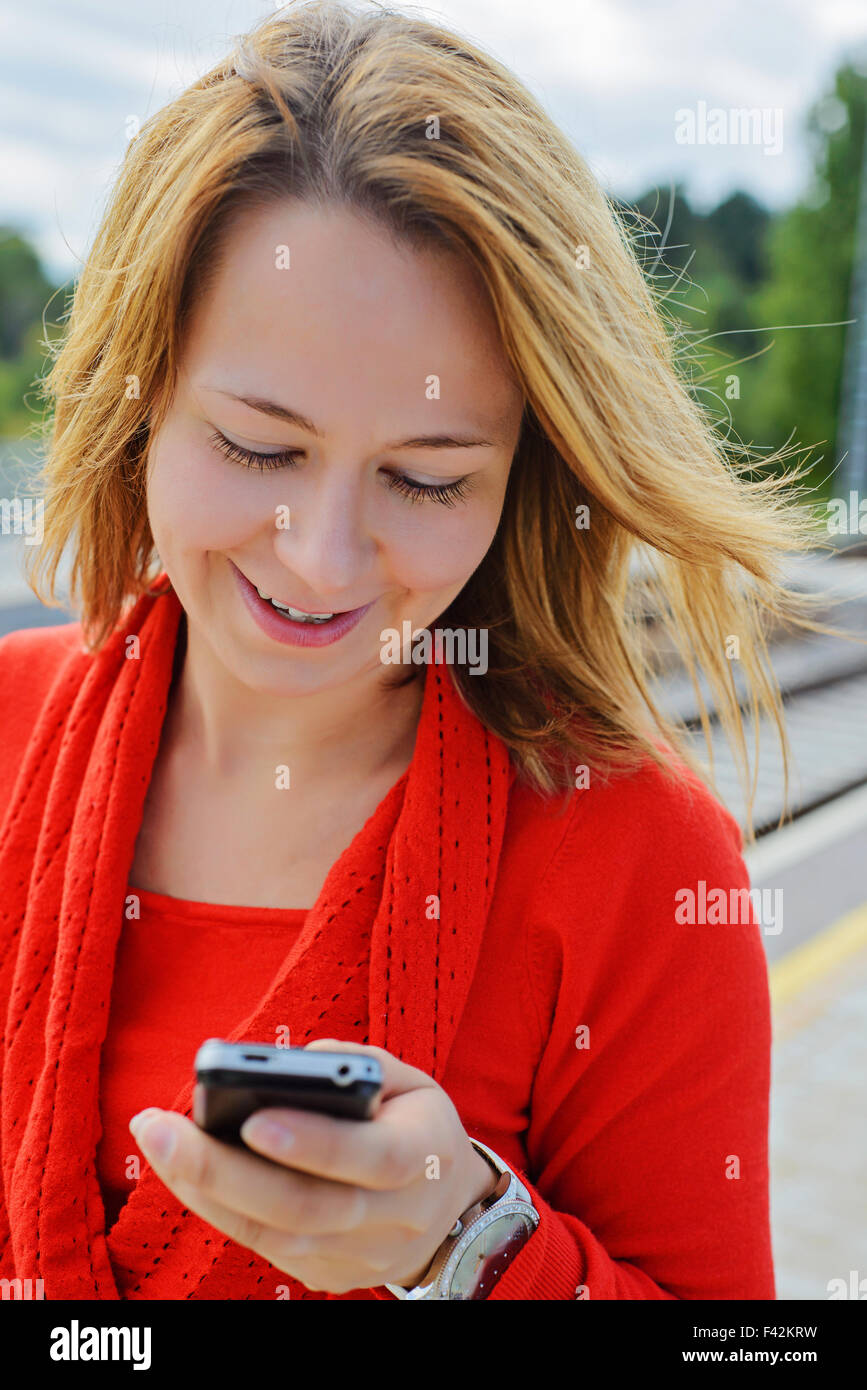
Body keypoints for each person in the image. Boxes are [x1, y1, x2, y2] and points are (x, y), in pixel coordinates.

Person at [0, 0, 814, 1300]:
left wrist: (472, 1245)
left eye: (427, 480)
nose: (323, 557)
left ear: (521, 475)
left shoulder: (640, 860)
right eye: (260, 447)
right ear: (139, 396)